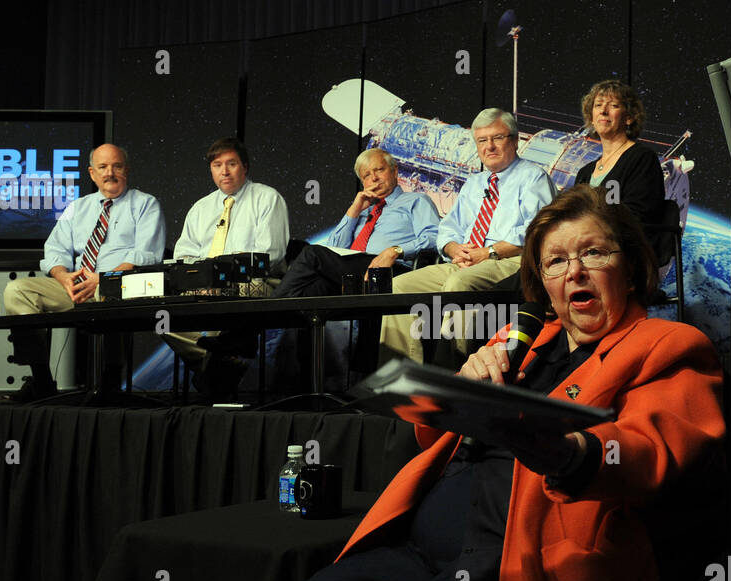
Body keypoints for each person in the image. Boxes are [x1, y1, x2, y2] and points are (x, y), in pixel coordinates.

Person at [267, 185, 725, 581]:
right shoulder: (522, 337)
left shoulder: (666, 344)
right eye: (557, 262)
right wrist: (460, 391)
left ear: (629, 271)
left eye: (594, 253)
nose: (575, 272)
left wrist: (569, 451)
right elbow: (432, 440)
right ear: (543, 280)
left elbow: (653, 452)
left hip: (515, 565)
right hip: (416, 547)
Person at [380, 108, 557, 365]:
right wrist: (453, 249)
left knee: (459, 285)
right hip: (467, 260)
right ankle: (399, 376)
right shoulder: (475, 184)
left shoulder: (533, 177)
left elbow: (536, 232)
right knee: (400, 287)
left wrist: (489, 252)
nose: (490, 147)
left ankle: (452, 371)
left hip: (509, 261)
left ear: (515, 140)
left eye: (497, 138)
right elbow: (448, 228)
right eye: (482, 141)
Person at [1, 143, 165, 402]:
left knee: (109, 292)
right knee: (18, 290)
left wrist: (104, 279)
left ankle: (110, 385)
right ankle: (42, 380)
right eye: (103, 167)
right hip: (77, 284)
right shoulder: (77, 207)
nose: (110, 172)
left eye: (117, 166)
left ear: (127, 170)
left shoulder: (145, 204)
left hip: (121, 284)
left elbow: (147, 254)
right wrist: (63, 276)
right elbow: (54, 250)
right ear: (92, 173)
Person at [163, 137, 291, 392]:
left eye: (231, 163)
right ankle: (216, 359)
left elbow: (270, 255)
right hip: (205, 286)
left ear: (244, 166)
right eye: (217, 165)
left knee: (239, 291)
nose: (224, 171)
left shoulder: (267, 198)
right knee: (161, 309)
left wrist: (222, 281)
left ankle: (216, 361)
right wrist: (200, 280)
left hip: (258, 284)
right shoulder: (200, 208)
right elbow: (183, 255)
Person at [275, 148, 438, 298]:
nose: (374, 178)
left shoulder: (416, 200)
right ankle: (271, 321)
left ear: (394, 171)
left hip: (393, 269)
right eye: (366, 175)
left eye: (379, 170)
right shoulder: (363, 212)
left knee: (312, 254)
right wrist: (354, 210)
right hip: (357, 273)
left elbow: (434, 238)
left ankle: (264, 313)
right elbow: (333, 249)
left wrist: (395, 251)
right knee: (311, 290)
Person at [573, 80, 665, 229]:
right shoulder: (585, 173)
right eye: (598, 105)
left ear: (629, 117)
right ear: (591, 118)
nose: (603, 111)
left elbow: (638, 217)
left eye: (613, 105)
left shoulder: (642, 159)